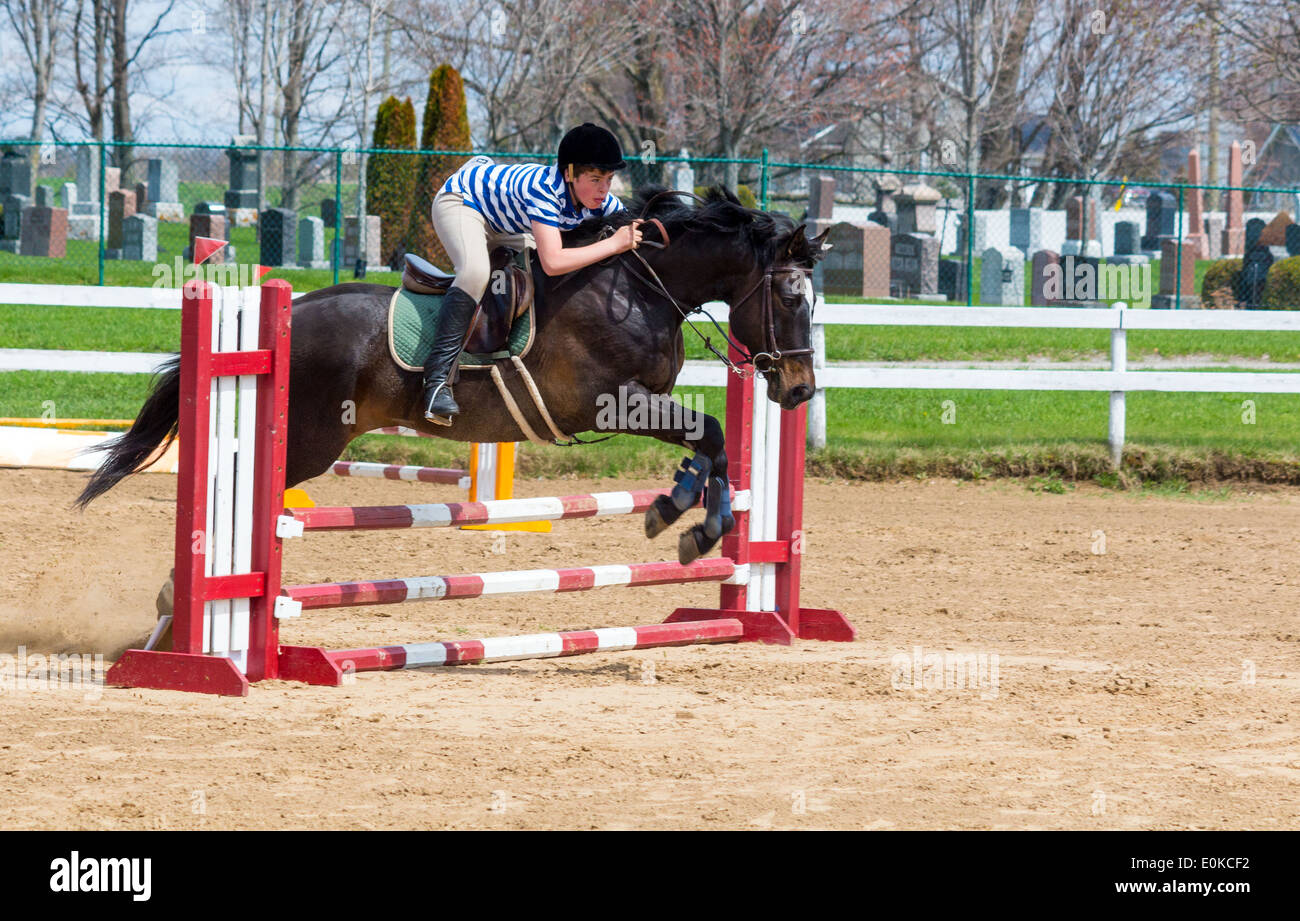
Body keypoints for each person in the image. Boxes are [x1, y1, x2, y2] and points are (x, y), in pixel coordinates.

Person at [422, 122, 644, 424]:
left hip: (504, 223)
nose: (604, 189)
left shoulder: (598, 200)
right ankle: (436, 383)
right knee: (476, 272)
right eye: (595, 179)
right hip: (462, 201)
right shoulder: (544, 191)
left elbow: (636, 224)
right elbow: (554, 261)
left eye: (608, 178)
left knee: (532, 266)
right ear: (569, 173)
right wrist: (615, 244)